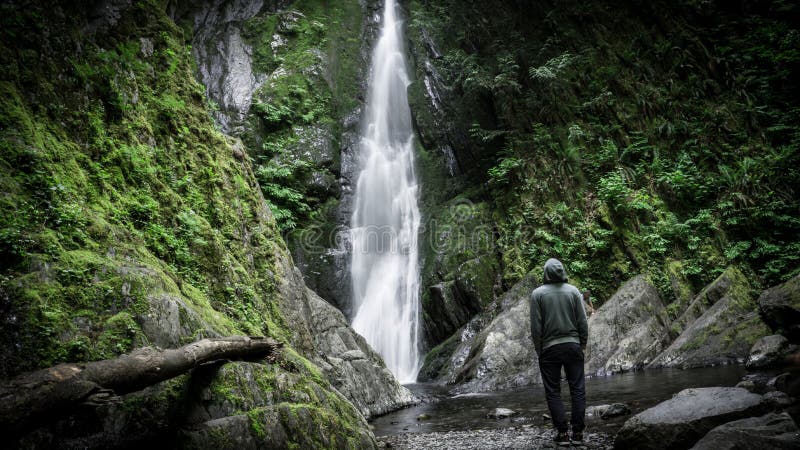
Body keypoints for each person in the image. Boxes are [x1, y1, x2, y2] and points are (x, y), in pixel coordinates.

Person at [530, 258, 588, 446]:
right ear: (562, 271)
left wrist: (540, 350)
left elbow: (536, 327)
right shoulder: (573, 291)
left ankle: (563, 434)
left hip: (549, 349)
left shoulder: (537, 294)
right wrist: (582, 344)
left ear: (546, 273)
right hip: (573, 345)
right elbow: (582, 321)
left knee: (553, 391)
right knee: (577, 388)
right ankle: (578, 433)